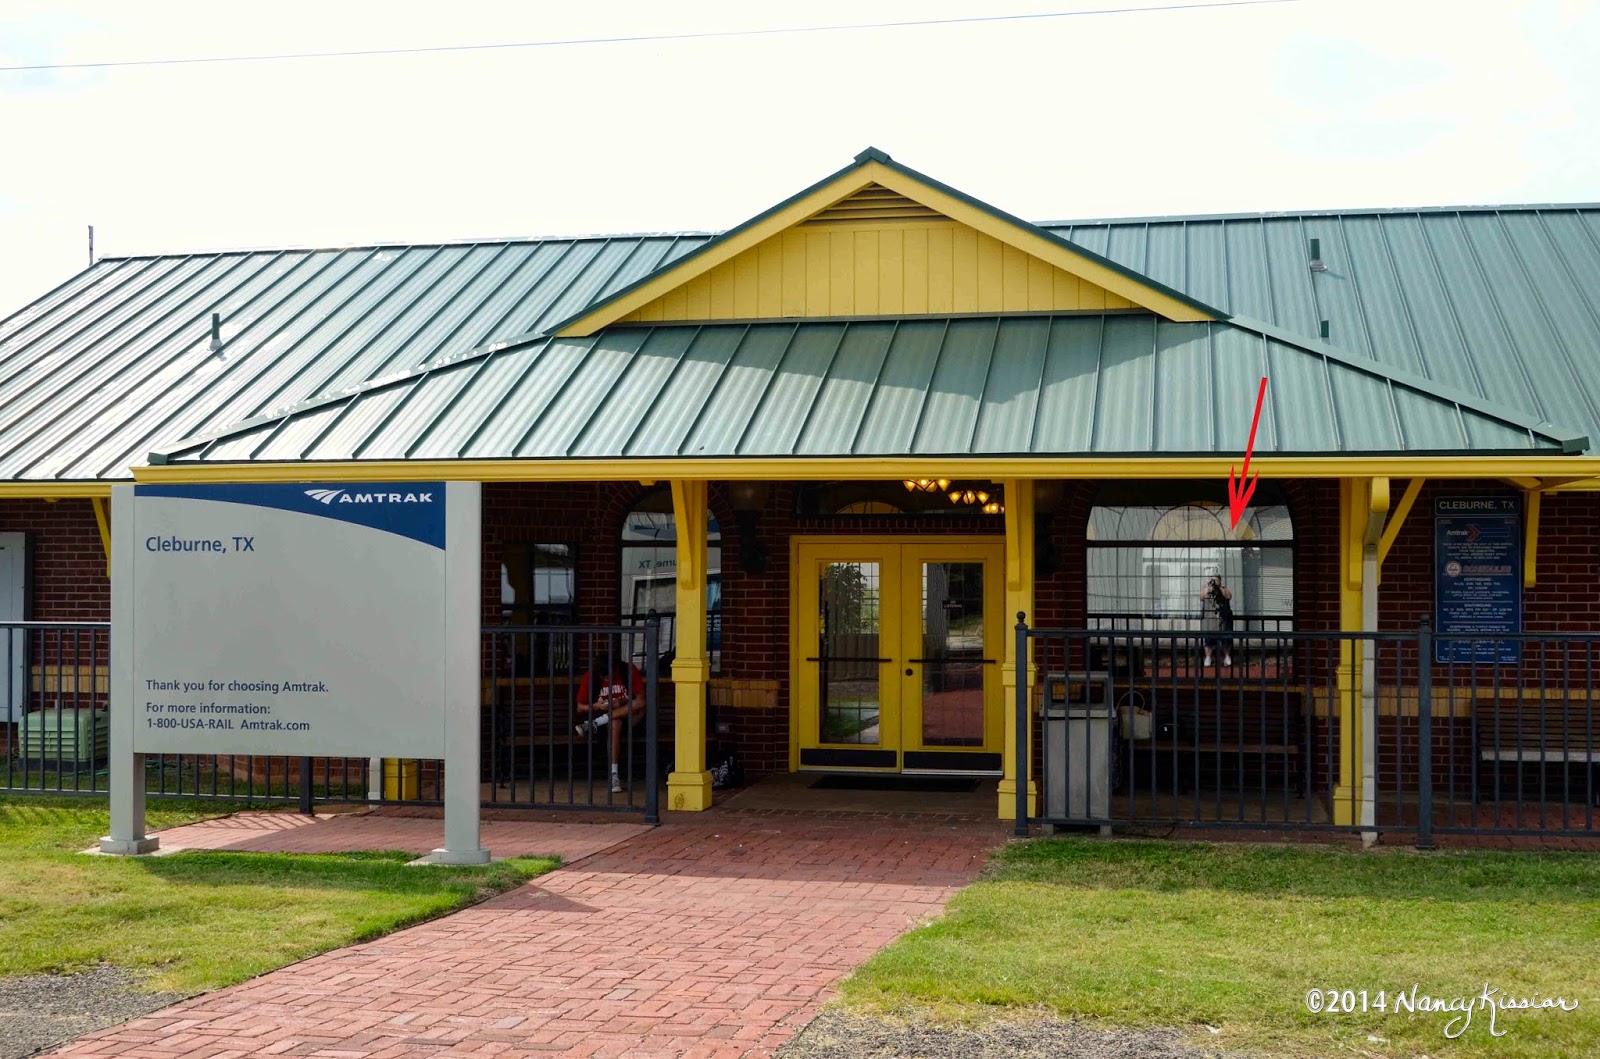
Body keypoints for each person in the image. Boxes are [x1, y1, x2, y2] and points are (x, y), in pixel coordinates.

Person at [575, 652, 646, 793]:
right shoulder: (591, 676)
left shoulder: (628, 670)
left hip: (631, 720)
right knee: (615, 722)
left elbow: (641, 700)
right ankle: (614, 774)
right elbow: (580, 707)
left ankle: (594, 723)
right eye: (604, 678)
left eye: (610, 676)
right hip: (606, 726)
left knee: (637, 706)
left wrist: (622, 701)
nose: (607, 680)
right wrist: (597, 706)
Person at [1199, 567, 1234, 668]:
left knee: (1226, 639)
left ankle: (1227, 656)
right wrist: (1209, 587)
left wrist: (1219, 587)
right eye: (1213, 579)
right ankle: (1208, 657)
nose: (1214, 582)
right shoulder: (1206, 589)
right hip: (1210, 618)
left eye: (1216, 580)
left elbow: (1228, 596)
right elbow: (1201, 597)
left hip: (1223, 618)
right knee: (1209, 639)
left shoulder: (1223, 589)